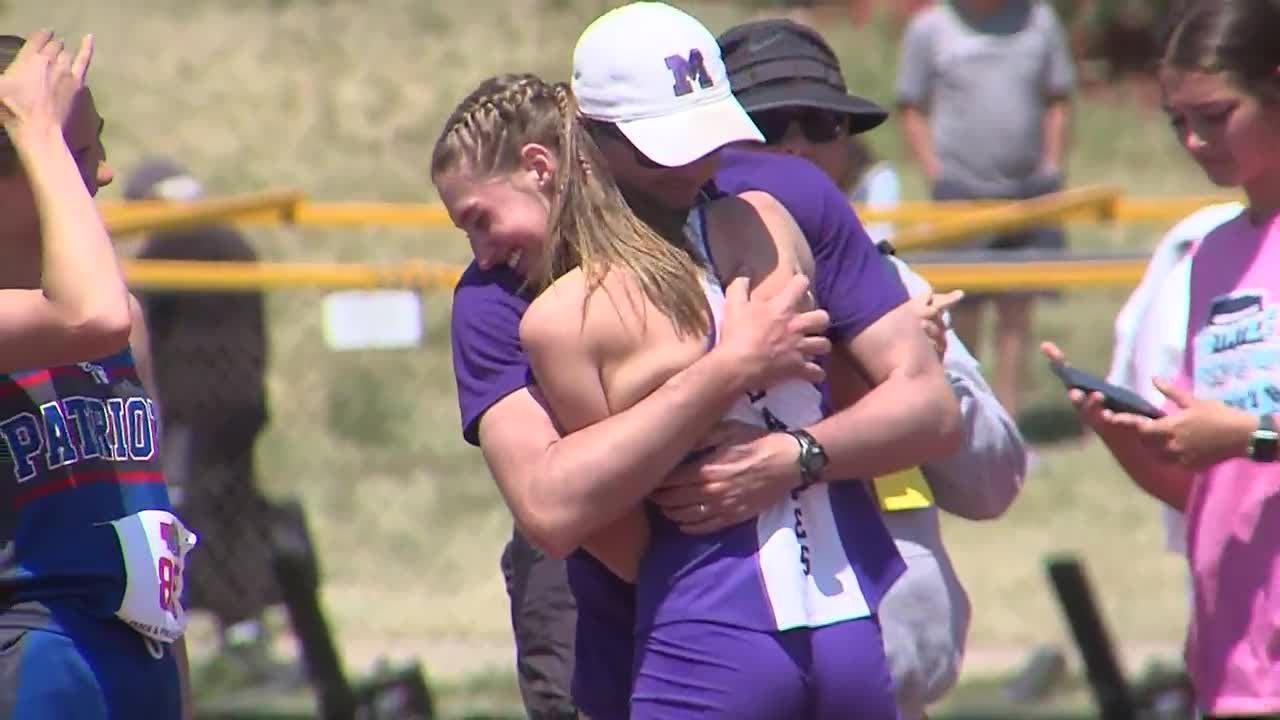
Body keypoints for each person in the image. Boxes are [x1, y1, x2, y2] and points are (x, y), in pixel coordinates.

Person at [439, 3, 962, 717]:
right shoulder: (506, 299)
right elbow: (559, 512)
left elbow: (928, 408)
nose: (694, 163)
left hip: (776, 612)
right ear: (586, 142)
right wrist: (731, 367)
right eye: (663, 149)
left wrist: (790, 457)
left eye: (706, 136)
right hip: (663, 622)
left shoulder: (779, 201)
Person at [716, 17, 1029, 718]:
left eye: (821, 123)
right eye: (767, 124)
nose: (797, 144)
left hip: (894, 692)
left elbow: (993, 487)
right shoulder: (692, 293)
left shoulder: (894, 285)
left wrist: (928, 372)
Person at [1044, 1, 1280, 715]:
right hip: (1237, 651)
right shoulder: (1212, 254)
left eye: (1215, 115)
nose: (1194, 140)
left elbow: (1245, 443)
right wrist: (1128, 438)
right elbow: (1206, 490)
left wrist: (1248, 436)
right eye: (1178, 121)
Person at [0, 32, 192, 719]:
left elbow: (152, 531)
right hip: (32, 665)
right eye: (77, 152)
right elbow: (90, 315)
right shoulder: (101, 317)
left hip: (138, 658)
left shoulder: (119, 324)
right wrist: (34, 128)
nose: (106, 172)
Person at [127, 159, 291, 683]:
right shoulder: (233, 241)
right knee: (233, 507)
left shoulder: (168, 248)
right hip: (242, 403)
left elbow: (140, 331)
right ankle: (243, 620)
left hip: (192, 410)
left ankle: (221, 621)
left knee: (194, 511)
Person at [897, 0, 1076, 418]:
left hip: (1028, 193)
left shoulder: (1039, 22)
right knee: (962, 315)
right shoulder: (930, 28)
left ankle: (1009, 421)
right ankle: (967, 419)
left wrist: (1050, 168)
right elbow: (910, 107)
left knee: (1016, 316)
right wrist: (938, 175)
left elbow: (1058, 99)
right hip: (961, 194)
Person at [1105, 201, 1244, 560]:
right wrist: (1120, 438)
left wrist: (1250, 436)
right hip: (1227, 561)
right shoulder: (1205, 243)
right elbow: (1190, 490)